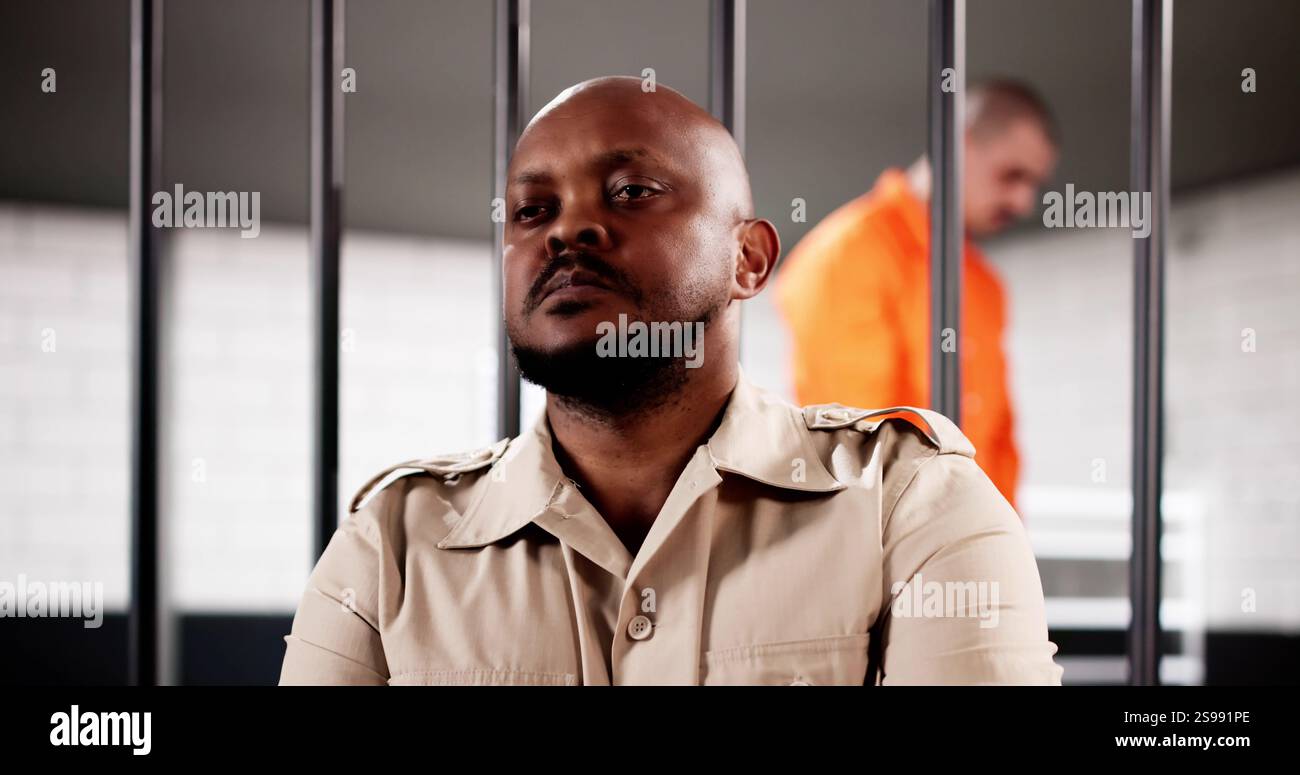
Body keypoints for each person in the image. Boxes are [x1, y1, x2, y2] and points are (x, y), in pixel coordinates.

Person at [279, 76, 1062, 685]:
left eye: (630, 192)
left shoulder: (913, 502)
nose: (567, 228)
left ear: (748, 259)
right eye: (530, 210)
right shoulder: (391, 543)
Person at [773, 79, 1060, 511]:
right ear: (957, 146)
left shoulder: (983, 284)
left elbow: (999, 442)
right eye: (1012, 175)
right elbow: (858, 445)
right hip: (885, 556)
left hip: (965, 546)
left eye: (1033, 183)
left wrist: (999, 549)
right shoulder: (848, 254)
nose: (1023, 201)